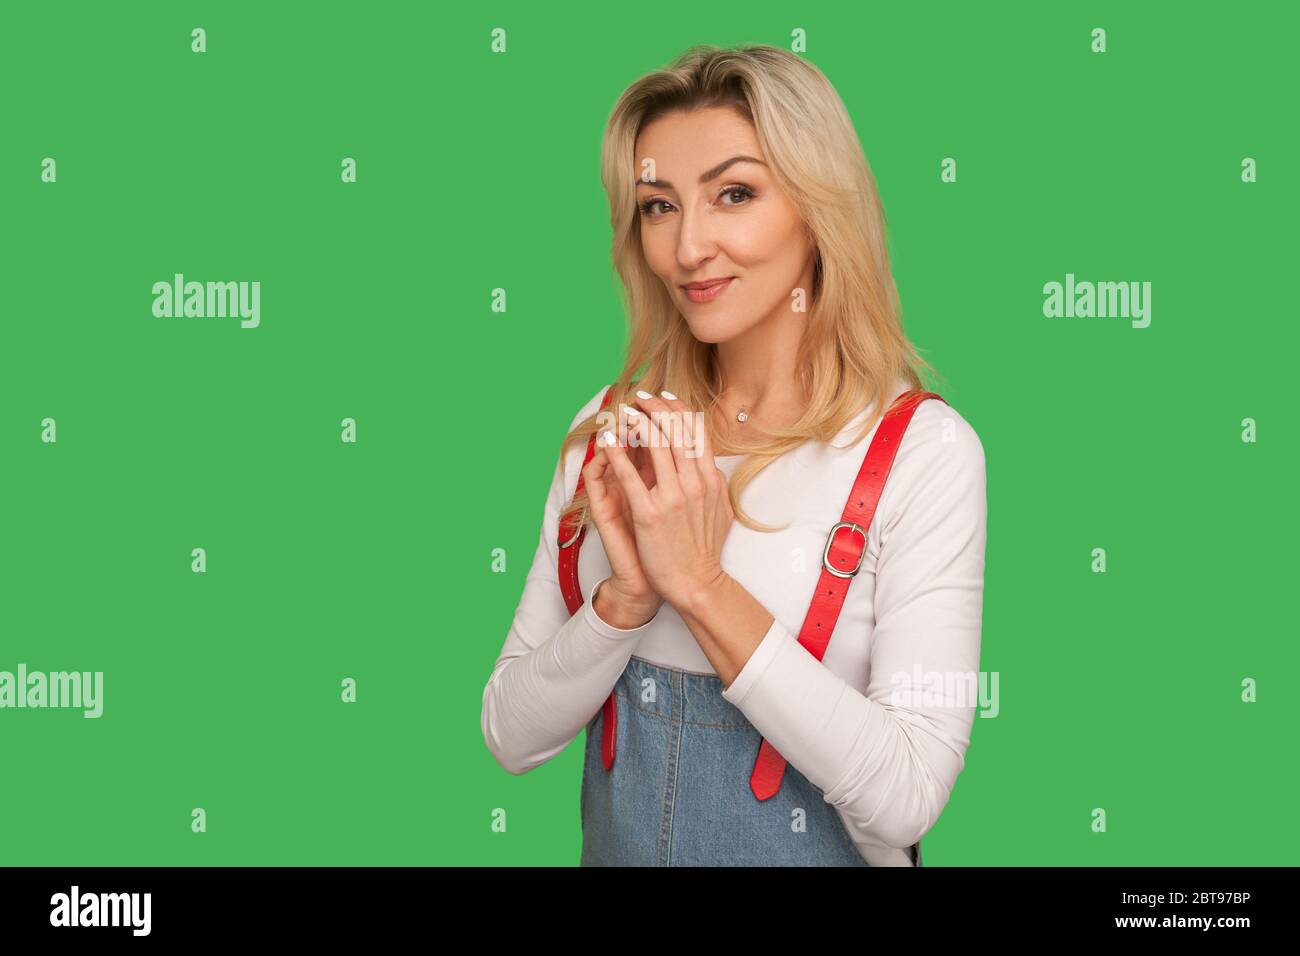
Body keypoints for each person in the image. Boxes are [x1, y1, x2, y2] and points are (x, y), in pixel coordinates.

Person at [481, 44, 987, 867]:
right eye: (658, 205)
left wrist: (703, 588)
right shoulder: (613, 431)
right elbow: (510, 733)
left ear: (820, 209)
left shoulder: (921, 454)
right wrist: (626, 601)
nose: (687, 249)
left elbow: (905, 799)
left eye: (735, 194)